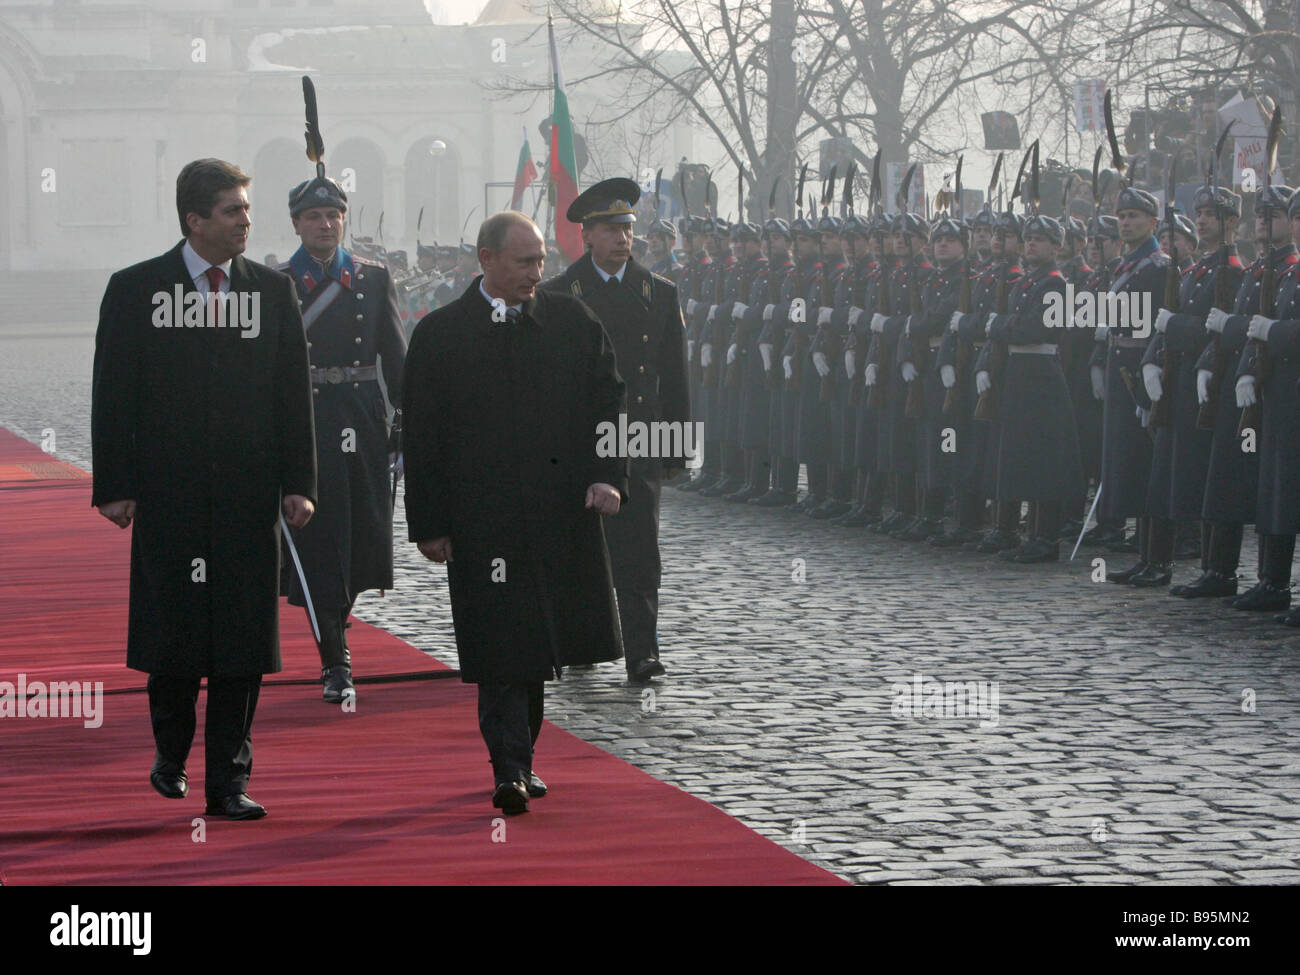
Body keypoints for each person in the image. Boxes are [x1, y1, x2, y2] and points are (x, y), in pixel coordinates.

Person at [91, 158, 317, 820]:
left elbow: (292, 396)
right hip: (171, 494)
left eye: (247, 208)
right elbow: (114, 394)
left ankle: (229, 780)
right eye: (232, 210)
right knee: (175, 631)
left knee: (243, 640)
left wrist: (299, 483)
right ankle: (171, 752)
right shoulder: (136, 289)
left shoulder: (272, 292)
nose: (247, 220)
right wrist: (115, 485)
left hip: (249, 498)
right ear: (195, 220)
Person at [402, 210, 628, 814]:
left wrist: (607, 475)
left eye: (541, 260)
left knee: (536, 644)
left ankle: (520, 757)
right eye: (524, 261)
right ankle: (509, 767)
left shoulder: (573, 321)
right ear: (487, 260)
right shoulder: (440, 334)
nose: (536, 272)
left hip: (557, 514)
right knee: (498, 642)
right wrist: (429, 523)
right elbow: (421, 436)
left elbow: (608, 402)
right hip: (481, 519)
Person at [544, 178, 690, 684]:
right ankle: (581, 641)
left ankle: (642, 651)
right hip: (578, 435)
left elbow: (674, 376)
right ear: (587, 235)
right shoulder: (559, 293)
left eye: (627, 228)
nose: (622, 238)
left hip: (639, 435)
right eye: (610, 229)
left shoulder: (658, 292)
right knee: (580, 543)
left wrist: (676, 448)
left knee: (639, 548)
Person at [278, 173, 406, 703]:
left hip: (362, 419)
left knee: (360, 536)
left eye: (333, 216)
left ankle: (337, 620)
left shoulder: (372, 279)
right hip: (306, 422)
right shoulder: (278, 283)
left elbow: (395, 355)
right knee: (320, 538)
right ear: (296, 224)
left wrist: (404, 419)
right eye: (314, 216)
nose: (325, 225)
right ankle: (335, 657)